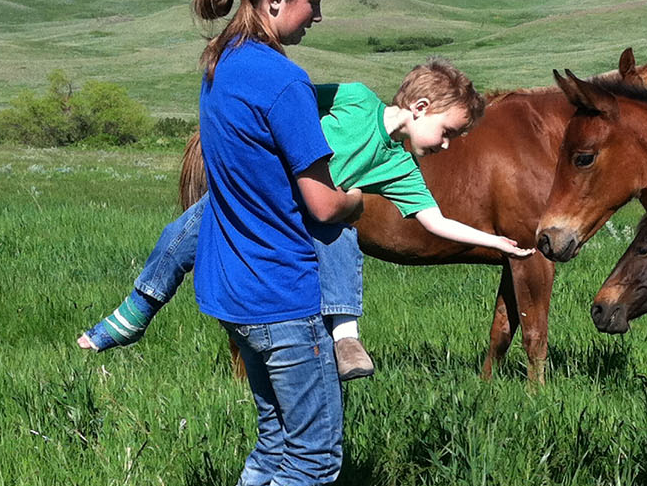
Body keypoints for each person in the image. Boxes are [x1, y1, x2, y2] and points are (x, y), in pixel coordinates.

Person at [79, 61, 531, 380]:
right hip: (256, 190)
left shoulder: (398, 166)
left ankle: (346, 338)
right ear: (421, 106)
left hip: (309, 219)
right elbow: (290, 102)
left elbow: (435, 221)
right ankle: (136, 311)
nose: (448, 145)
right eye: (448, 132)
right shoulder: (354, 99)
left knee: (342, 237)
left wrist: (498, 241)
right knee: (179, 237)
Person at [170, 0, 358, 486]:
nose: (318, 16)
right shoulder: (285, 82)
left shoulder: (218, 65)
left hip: (233, 292)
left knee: (273, 437)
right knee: (316, 453)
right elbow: (323, 204)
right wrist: (365, 198)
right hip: (284, 292)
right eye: (313, 1)